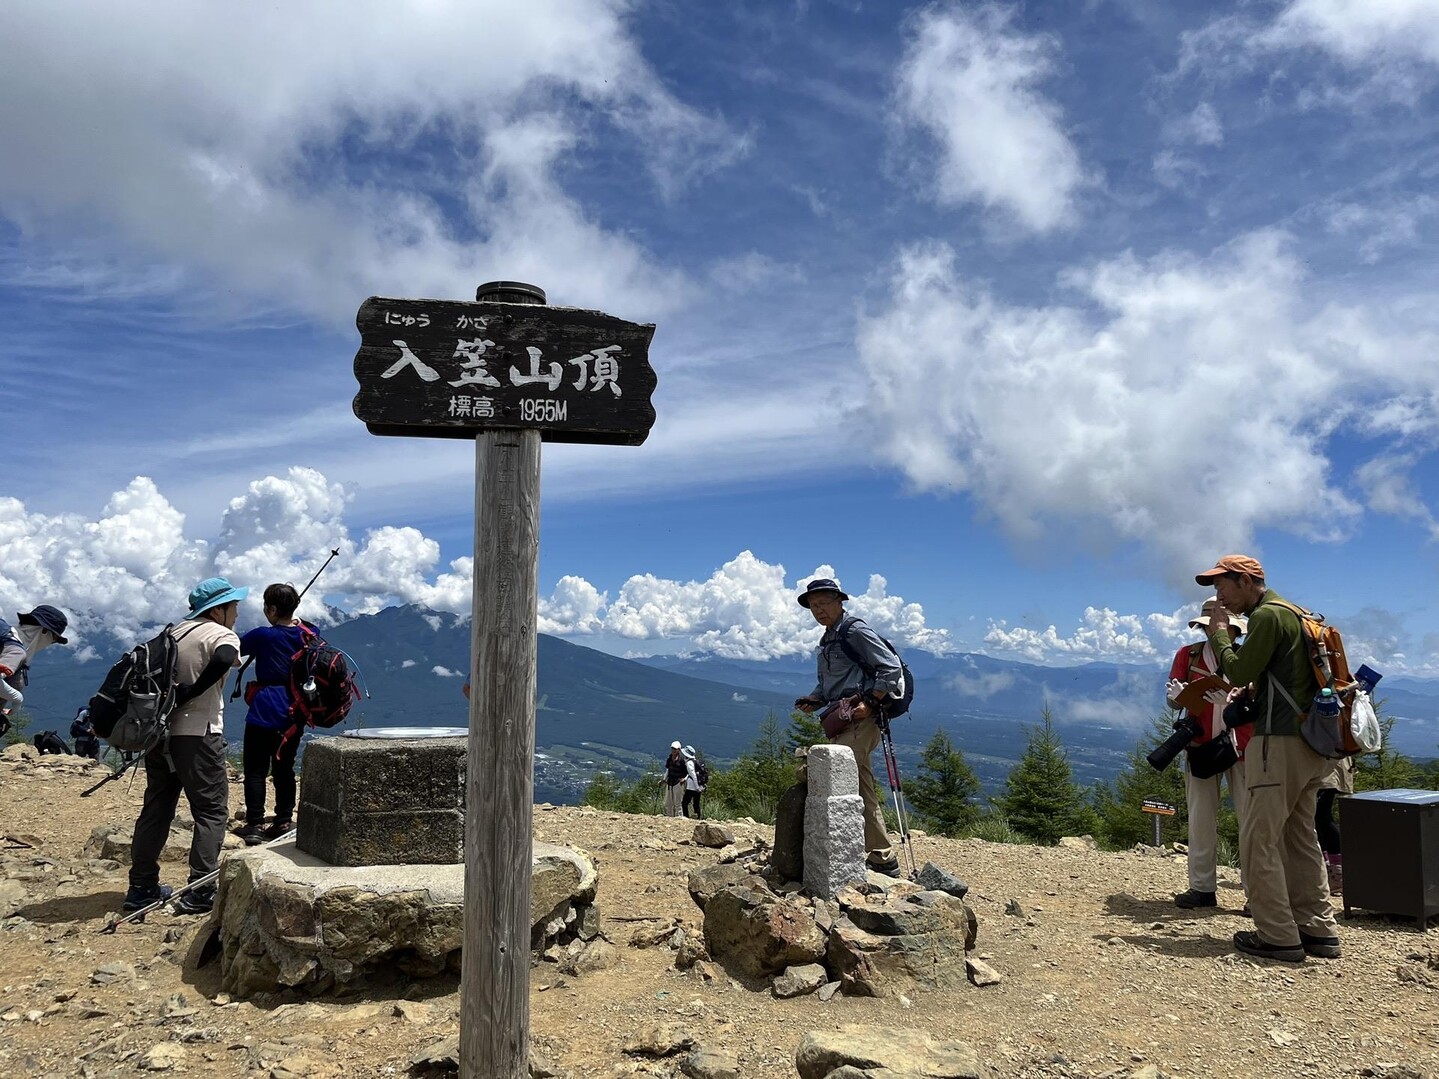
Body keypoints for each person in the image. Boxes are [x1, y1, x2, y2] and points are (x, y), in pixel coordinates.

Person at [1196, 554, 1341, 962]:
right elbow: (1281, 676)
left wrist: (1219, 634)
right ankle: (1317, 929)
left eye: (1221, 585)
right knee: (1300, 836)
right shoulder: (1297, 614)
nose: (1218, 596)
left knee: (1259, 839)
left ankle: (1277, 934)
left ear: (1245, 580)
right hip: (1311, 743)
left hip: (1277, 744)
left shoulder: (1267, 617)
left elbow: (1238, 671)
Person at [122, 577, 246, 917]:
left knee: (158, 806)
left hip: (158, 734)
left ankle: (141, 887)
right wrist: (192, 692)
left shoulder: (172, 633)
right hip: (199, 733)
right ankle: (201, 889)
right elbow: (223, 657)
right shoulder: (221, 634)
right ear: (218, 609)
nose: (236, 614)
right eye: (233, 607)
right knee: (211, 810)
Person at [793, 577, 904, 878]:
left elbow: (890, 667)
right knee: (856, 782)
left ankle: (877, 856)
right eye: (813, 606)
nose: (818, 610)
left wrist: (870, 700)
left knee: (847, 782)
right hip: (841, 718)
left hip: (861, 717)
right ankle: (879, 855)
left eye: (824, 603)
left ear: (839, 601)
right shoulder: (828, 639)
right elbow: (830, 684)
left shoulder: (854, 631)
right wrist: (815, 699)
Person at [1165, 599, 1251, 910]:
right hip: (1201, 745)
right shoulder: (1187, 656)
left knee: (1251, 822)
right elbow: (1176, 702)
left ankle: (1257, 894)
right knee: (1201, 819)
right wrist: (1176, 698)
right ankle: (1202, 888)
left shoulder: (1248, 658)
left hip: (1243, 746)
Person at [236, 583, 308, 845]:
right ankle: (283, 821)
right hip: (294, 710)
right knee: (284, 767)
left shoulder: (263, 636)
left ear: (273, 608)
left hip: (264, 707)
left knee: (255, 768)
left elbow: (236, 649)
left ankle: (255, 824)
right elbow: (313, 629)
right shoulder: (306, 635)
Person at [0, 605, 70, 736]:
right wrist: (17, 699)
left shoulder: (5, 634)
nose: (50, 644)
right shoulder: (16, 651)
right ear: (44, 631)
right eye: (54, 639)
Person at [1316, 756, 1353, 895]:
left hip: (1327, 768)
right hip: (1329, 766)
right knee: (1317, 820)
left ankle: (1337, 875)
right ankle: (1329, 872)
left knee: (1322, 818)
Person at [662, 741, 686, 817]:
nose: (673, 750)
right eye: (672, 748)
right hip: (669, 782)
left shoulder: (682, 761)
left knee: (678, 802)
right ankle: (669, 816)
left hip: (678, 782)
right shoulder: (669, 759)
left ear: (679, 750)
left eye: (675, 749)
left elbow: (687, 772)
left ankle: (679, 817)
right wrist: (664, 779)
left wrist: (684, 779)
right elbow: (667, 770)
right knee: (668, 802)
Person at [681, 745, 704, 819]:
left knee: (684, 803)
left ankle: (686, 817)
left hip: (692, 786)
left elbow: (693, 775)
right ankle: (698, 817)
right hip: (699, 786)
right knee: (696, 803)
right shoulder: (696, 762)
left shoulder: (689, 763)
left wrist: (696, 787)